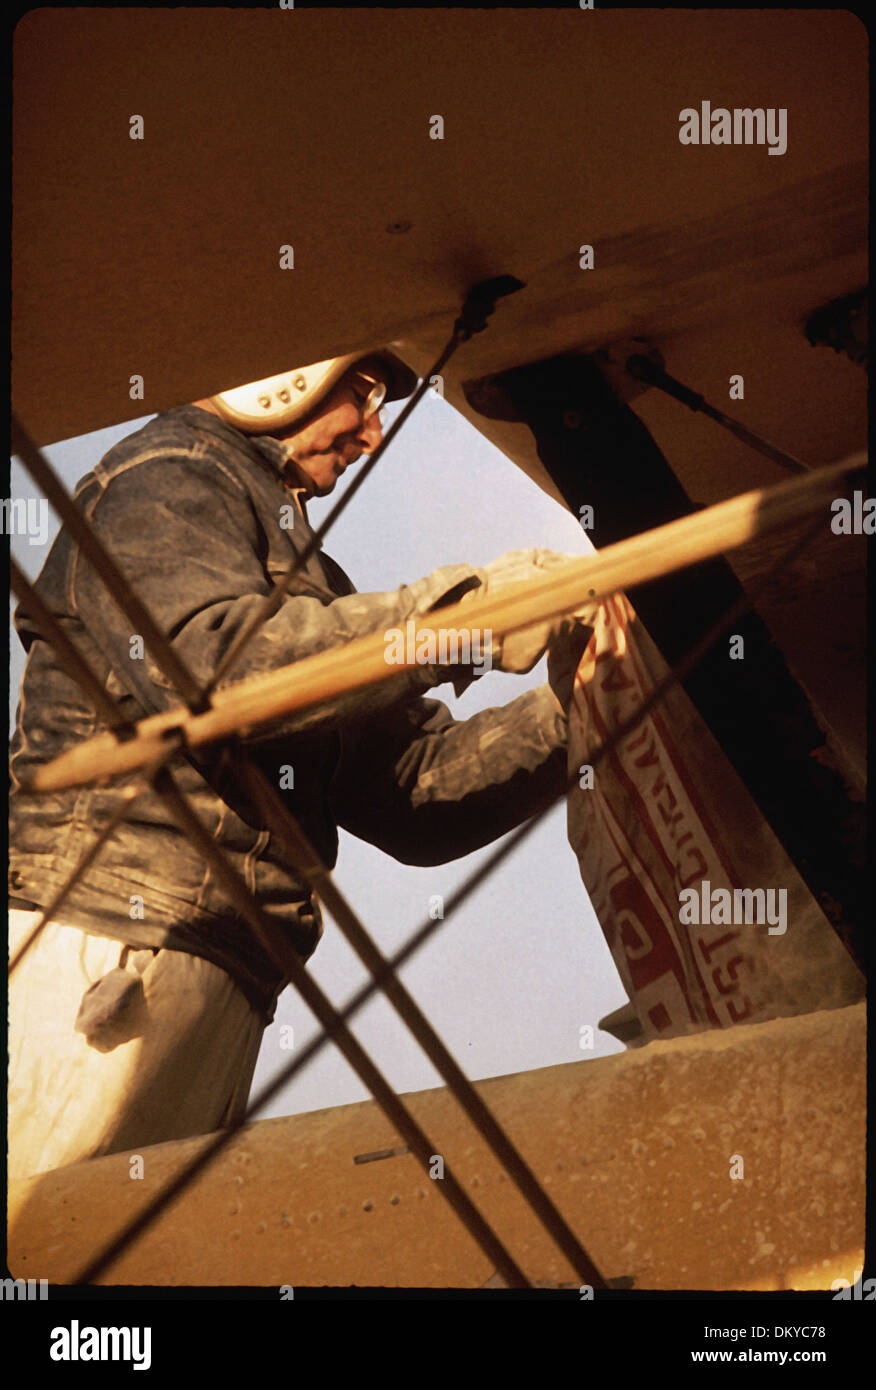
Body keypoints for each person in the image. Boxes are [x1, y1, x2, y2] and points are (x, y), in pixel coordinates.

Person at [7, 346, 587, 1182]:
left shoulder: (309, 581)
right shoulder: (168, 472)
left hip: (221, 974)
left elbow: (413, 792)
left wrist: (580, 701)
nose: (373, 434)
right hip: (108, 952)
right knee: (39, 1245)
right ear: (287, 374)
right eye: (365, 392)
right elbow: (210, 673)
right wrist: (466, 620)